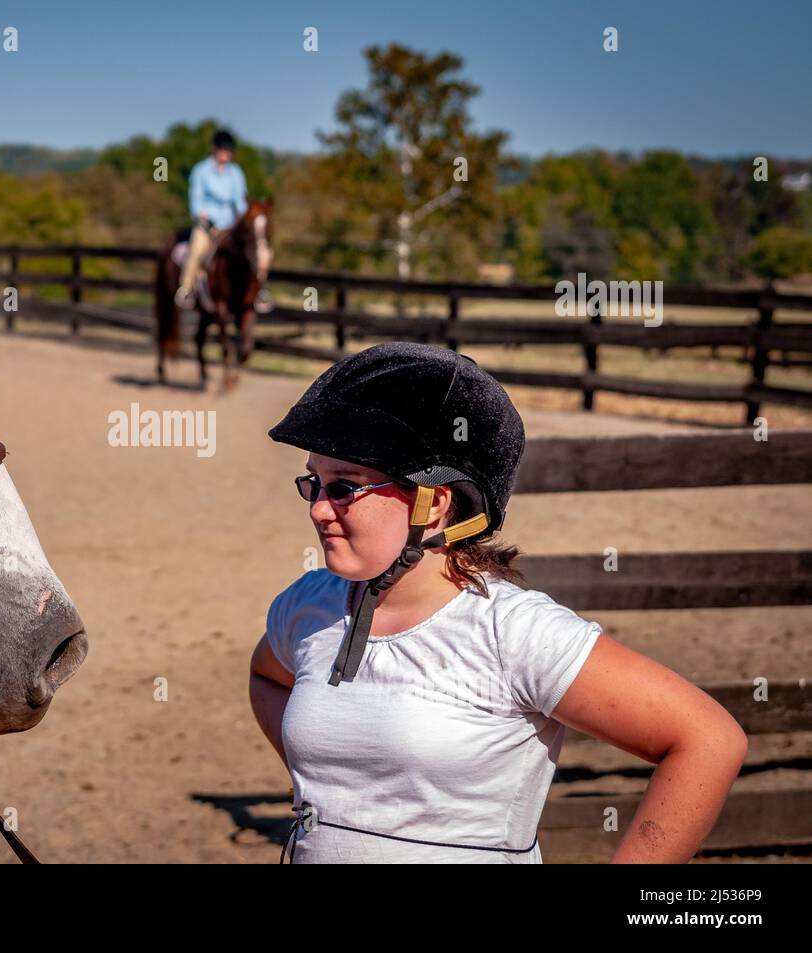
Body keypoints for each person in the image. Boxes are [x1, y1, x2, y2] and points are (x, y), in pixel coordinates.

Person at [250, 342, 748, 863]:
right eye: (315, 483)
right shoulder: (310, 605)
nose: (320, 511)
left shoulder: (513, 633)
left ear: (435, 505)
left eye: (346, 489)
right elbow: (266, 675)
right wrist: (327, 796)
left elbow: (708, 740)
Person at [175, 129, 246, 310]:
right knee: (197, 249)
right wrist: (201, 214)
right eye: (222, 150)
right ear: (215, 150)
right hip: (208, 225)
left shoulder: (236, 173)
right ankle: (186, 288)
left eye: (228, 150)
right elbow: (195, 199)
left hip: (230, 226)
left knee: (253, 252)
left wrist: (243, 217)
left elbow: (240, 200)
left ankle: (256, 291)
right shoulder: (201, 170)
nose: (225, 154)